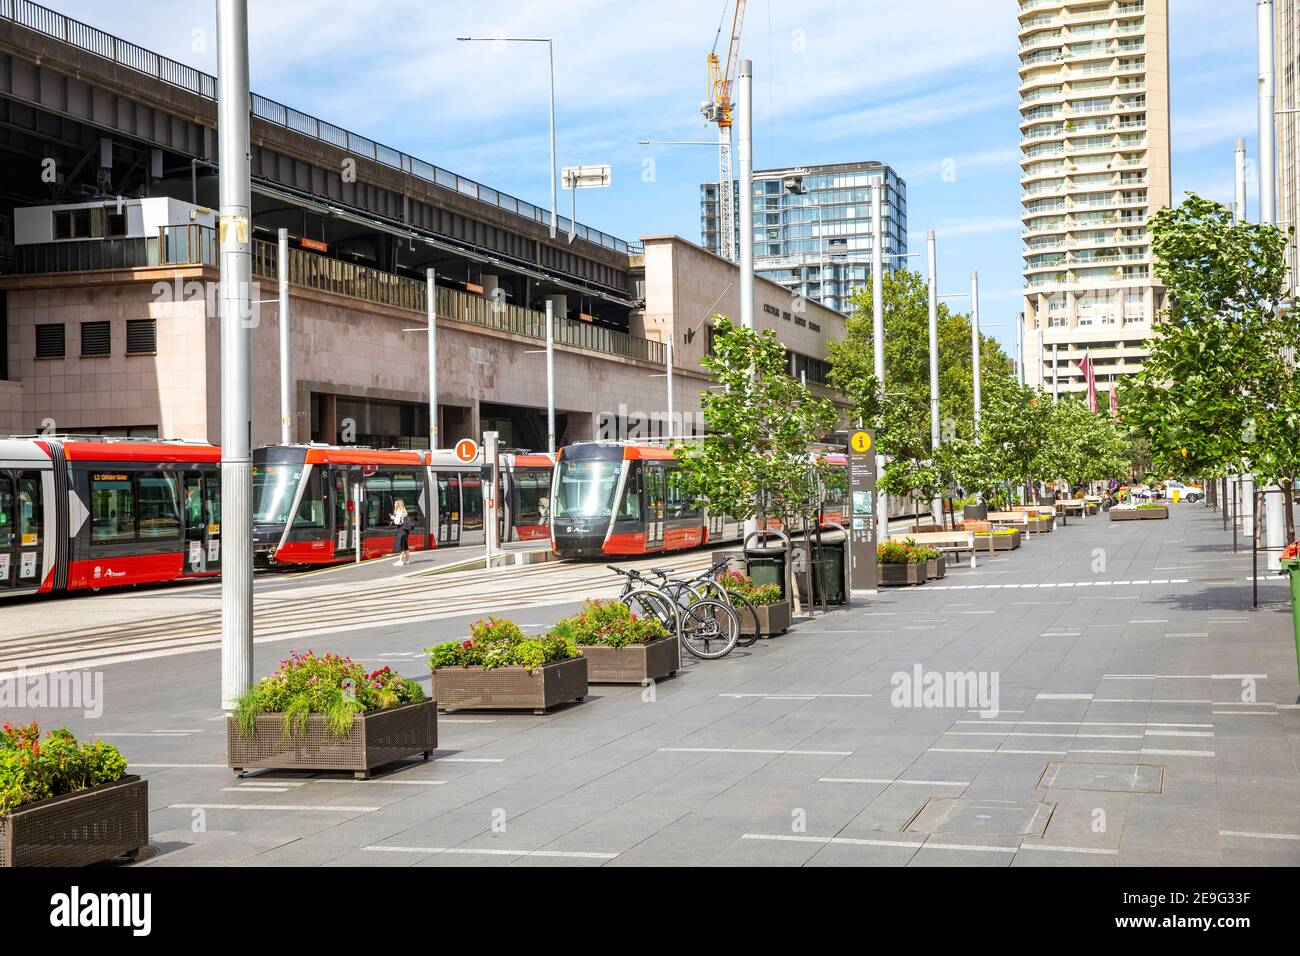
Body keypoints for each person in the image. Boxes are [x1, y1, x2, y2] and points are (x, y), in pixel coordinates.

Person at [390, 499, 414, 567]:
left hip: (401, 530)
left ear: (398, 505)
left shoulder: (399, 512)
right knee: (406, 546)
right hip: (406, 531)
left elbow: (397, 522)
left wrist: (393, 518)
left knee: (401, 546)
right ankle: (406, 560)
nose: (394, 505)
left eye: (395, 504)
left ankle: (401, 561)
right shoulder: (404, 512)